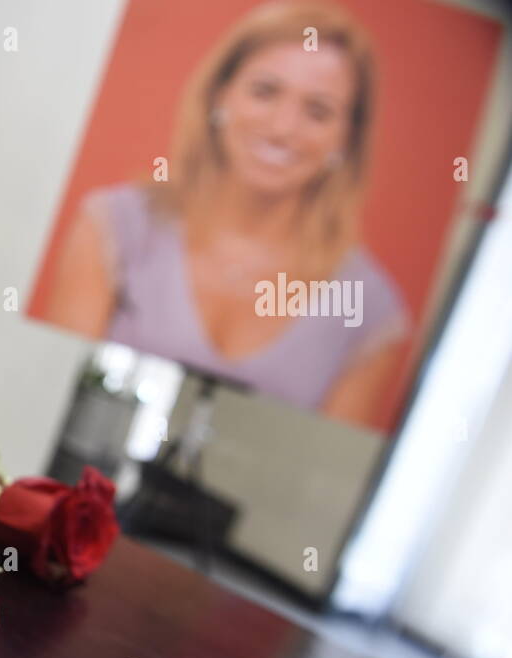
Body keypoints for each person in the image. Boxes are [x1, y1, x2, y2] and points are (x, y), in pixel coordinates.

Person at [42, 3, 407, 428]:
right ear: (220, 94)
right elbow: (47, 389)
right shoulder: (113, 225)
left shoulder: (371, 309)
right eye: (265, 91)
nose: (283, 128)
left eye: (318, 111)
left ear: (346, 137)